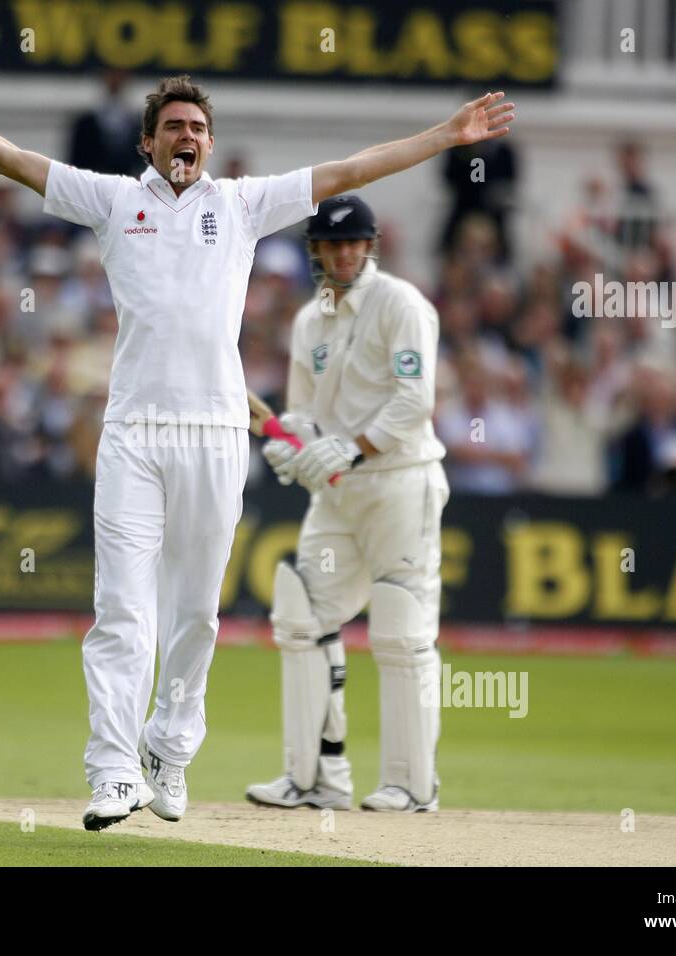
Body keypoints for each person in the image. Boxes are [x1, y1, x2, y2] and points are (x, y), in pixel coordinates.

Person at [0, 48, 514, 829]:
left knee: (196, 614)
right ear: (148, 142)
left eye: (198, 127)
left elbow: (349, 171)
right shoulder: (109, 200)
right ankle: (110, 773)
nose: (187, 136)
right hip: (133, 430)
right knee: (121, 612)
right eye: (173, 126)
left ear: (210, 141)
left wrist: (446, 134)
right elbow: (8, 157)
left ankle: (170, 749)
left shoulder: (240, 205)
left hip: (214, 430)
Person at [244, 196, 449, 812]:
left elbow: (415, 401)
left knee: (400, 625)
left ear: (370, 245)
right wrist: (293, 447)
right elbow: (303, 411)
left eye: (353, 243)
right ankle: (315, 779)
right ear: (317, 251)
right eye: (331, 245)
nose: (342, 253)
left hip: (399, 481)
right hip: (337, 492)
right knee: (302, 614)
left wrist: (351, 449)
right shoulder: (310, 321)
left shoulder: (401, 305)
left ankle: (412, 786)